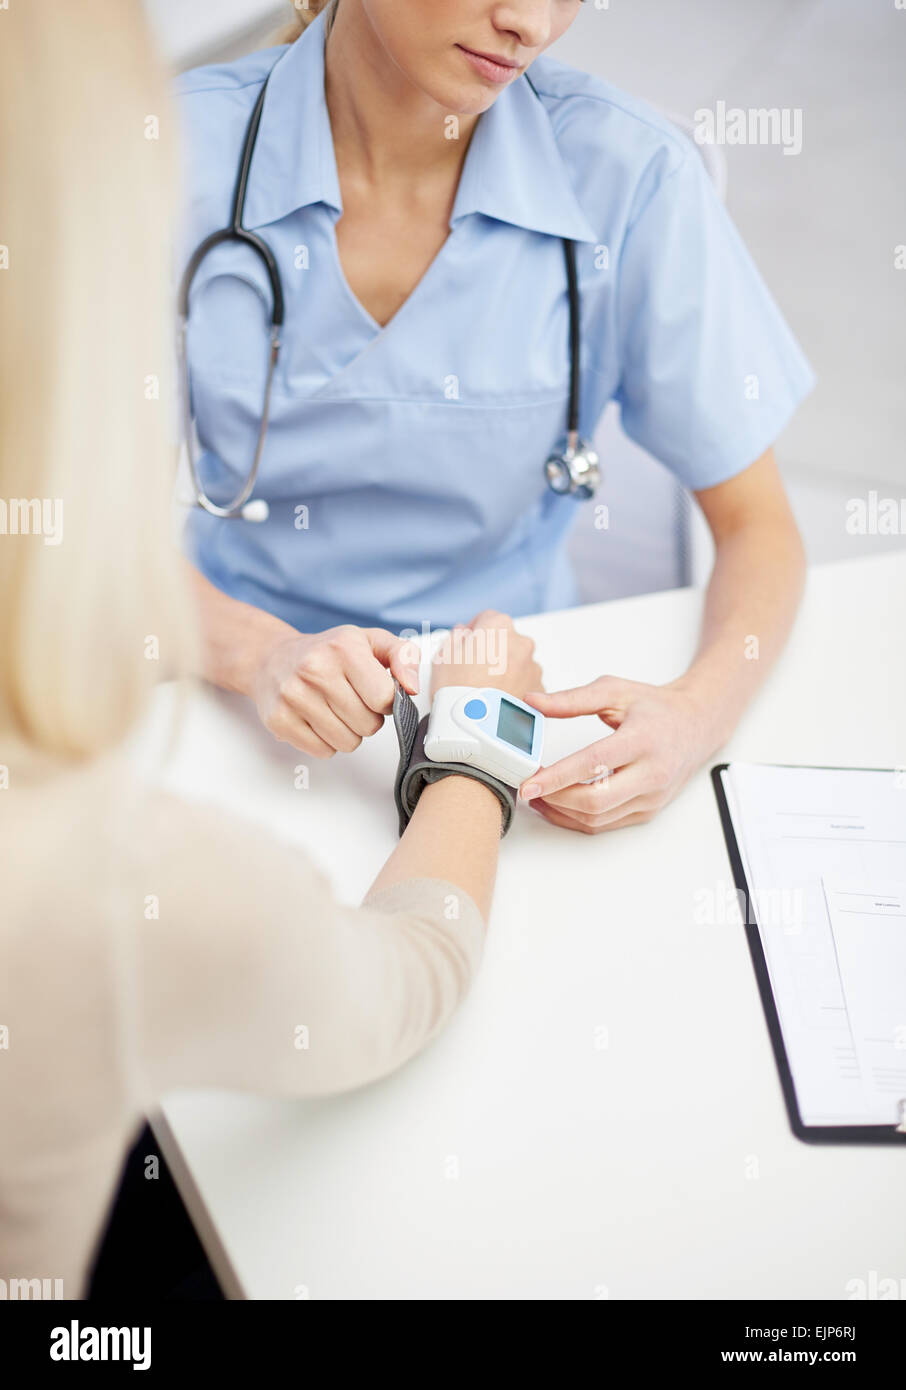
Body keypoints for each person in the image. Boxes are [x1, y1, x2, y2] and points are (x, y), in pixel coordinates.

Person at [0, 0, 539, 1298]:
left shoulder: (624, 172)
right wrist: (477, 747)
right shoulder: (110, 892)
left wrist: (244, 649)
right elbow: (402, 978)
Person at [176, 0, 813, 835]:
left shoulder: (630, 174)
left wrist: (696, 716)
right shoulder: (167, 155)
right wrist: (259, 655)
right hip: (226, 692)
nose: (530, 23)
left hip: (519, 703)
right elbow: (60, 540)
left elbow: (759, 528)